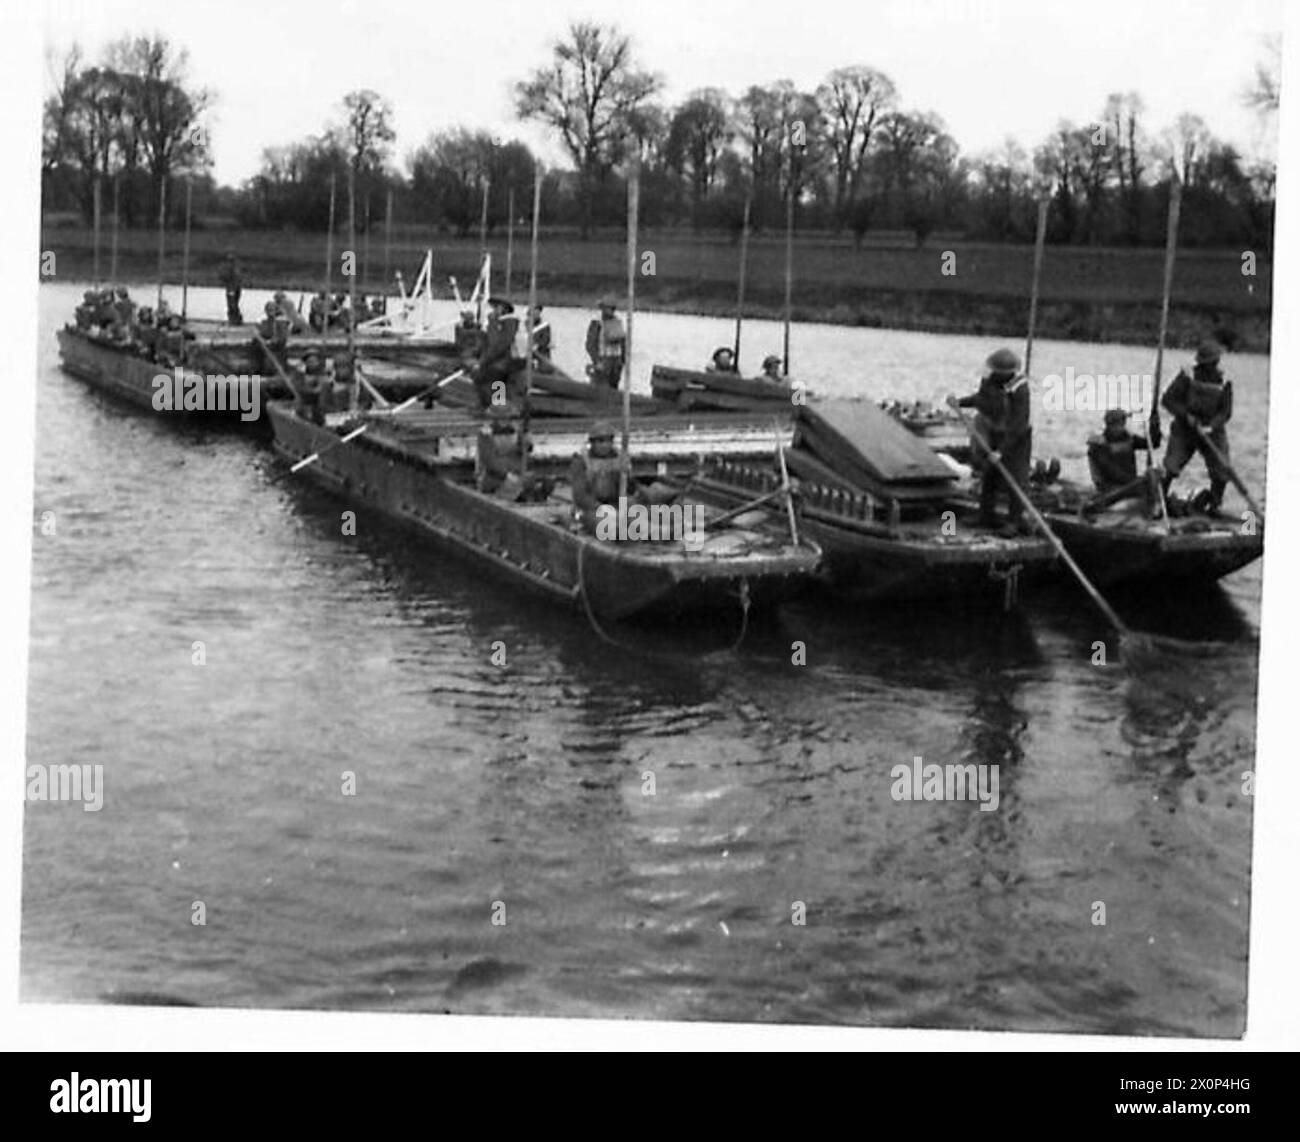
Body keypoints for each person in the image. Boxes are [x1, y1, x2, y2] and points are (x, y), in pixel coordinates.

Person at [948, 347, 1032, 537]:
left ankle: (1014, 522)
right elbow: (982, 400)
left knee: (1016, 480)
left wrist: (1001, 451)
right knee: (989, 476)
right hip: (994, 433)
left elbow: (1019, 424)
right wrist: (960, 403)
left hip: (1016, 439)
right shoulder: (991, 381)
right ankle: (985, 515)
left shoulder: (1020, 390)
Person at [1160, 341, 1233, 515]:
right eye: (1205, 363)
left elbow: (1226, 411)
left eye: (1212, 363)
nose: (1208, 367)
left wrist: (1212, 425)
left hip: (1212, 430)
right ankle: (1159, 501)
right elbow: (1168, 400)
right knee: (1171, 465)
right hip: (1185, 428)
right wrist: (1186, 415)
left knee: (1221, 469)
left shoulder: (1225, 380)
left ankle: (1215, 505)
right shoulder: (1188, 375)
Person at [1086, 409, 1157, 501]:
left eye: (1123, 424)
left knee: (1154, 480)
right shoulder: (1099, 445)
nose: (1122, 427)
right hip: (1109, 488)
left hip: (1129, 485)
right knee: (1144, 486)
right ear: (1110, 425)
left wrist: (1155, 425)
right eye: (1119, 424)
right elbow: (1111, 470)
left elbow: (1152, 443)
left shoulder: (1128, 439)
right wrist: (1135, 481)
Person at [570, 421, 623, 532]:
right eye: (600, 441)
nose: (605, 445)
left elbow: (626, 489)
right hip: (589, 509)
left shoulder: (620, 459)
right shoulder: (581, 461)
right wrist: (599, 507)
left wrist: (626, 472)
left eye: (608, 441)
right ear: (592, 443)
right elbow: (579, 495)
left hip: (614, 505)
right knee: (604, 525)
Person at [474, 297, 523, 410]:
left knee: (492, 374)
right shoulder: (501, 323)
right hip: (503, 359)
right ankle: (490, 404)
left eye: (496, 307)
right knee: (482, 373)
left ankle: (498, 404)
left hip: (509, 360)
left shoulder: (509, 323)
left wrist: (483, 362)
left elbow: (498, 346)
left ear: (503, 309)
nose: (493, 310)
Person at [585, 299, 625, 388]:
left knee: (613, 389)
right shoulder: (597, 323)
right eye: (608, 308)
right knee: (601, 388)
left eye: (612, 308)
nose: (610, 310)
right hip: (603, 360)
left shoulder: (617, 322)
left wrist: (622, 361)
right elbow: (590, 345)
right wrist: (597, 361)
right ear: (602, 309)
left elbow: (623, 343)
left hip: (615, 363)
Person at [219, 254, 244, 324]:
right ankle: (234, 319)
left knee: (232, 304)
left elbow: (235, 279)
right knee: (232, 304)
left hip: (232, 289)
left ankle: (235, 319)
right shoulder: (233, 269)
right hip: (233, 288)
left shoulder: (234, 269)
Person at [528, 305, 553, 371]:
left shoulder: (545, 325)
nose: (535, 313)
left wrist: (537, 345)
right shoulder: (525, 323)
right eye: (533, 310)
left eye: (537, 311)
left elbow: (545, 340)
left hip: (541, 354)